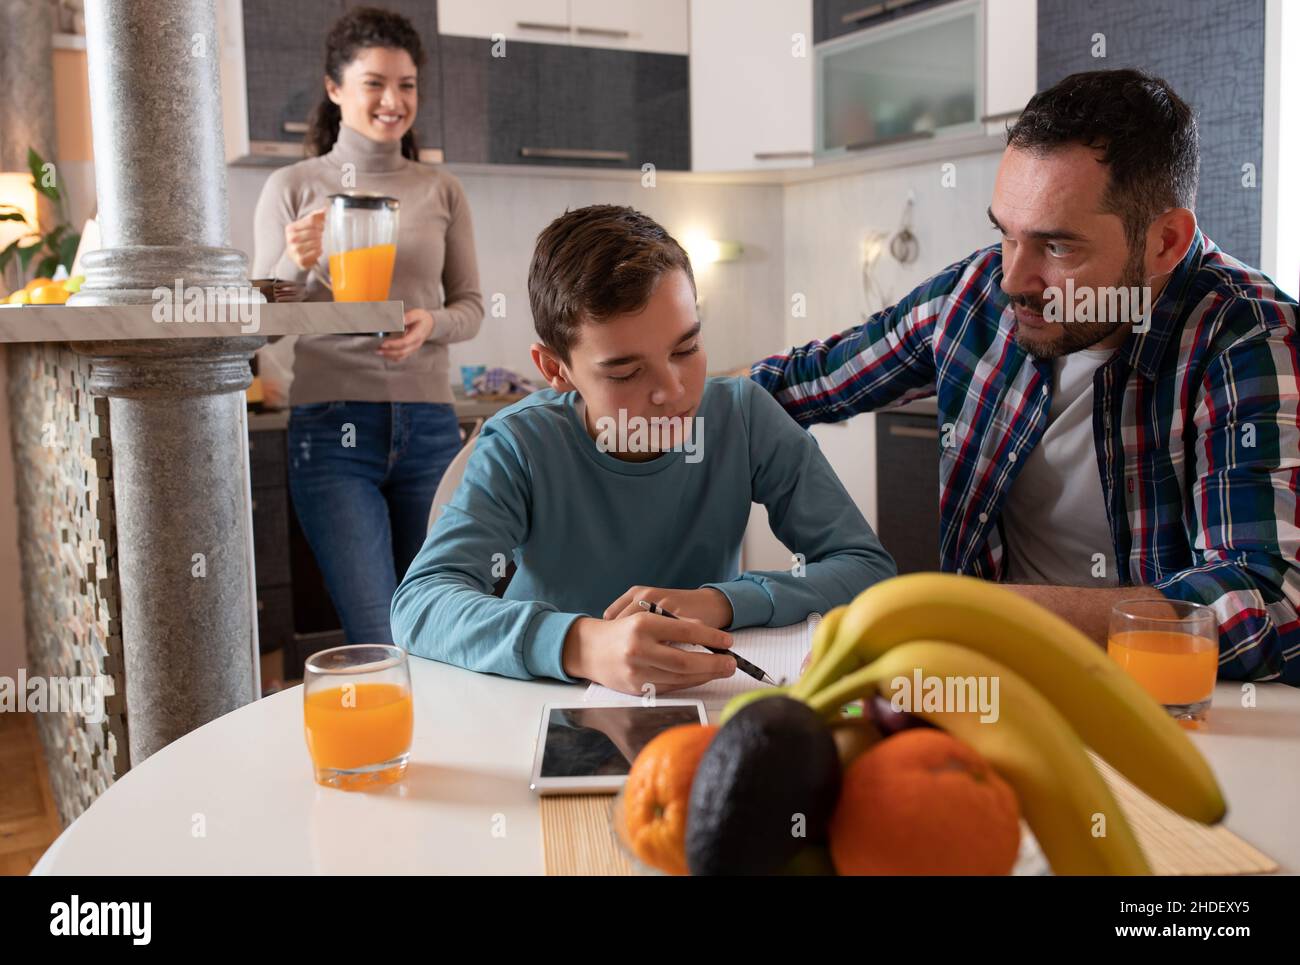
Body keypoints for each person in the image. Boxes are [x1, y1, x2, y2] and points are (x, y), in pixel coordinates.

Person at [751, 69, 1299, 683]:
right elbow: (797, 387)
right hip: (989, 685)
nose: (1014, 278)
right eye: (1006, 235)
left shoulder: (1251, 338)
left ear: (1166, 241)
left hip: (1162, 703)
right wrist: (643, 399)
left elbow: (1270, 601)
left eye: (1058, 247)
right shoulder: (974, 297)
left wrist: (980, 614)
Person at [392, 205, 896, 694]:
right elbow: (419, 603)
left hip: (699, 696)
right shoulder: (521, 445)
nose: (672, 391)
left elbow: (865, 567)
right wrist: (583, 645)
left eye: (686, 349)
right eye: (625, 372)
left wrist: (721, 602)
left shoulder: (743, 415)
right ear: (555, 369)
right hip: (544, 703)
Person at [253, 6, 484, 644]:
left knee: (441, 622)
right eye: (374, 83)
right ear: (335, 89)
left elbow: (470, 305)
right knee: (378, 630)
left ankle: (451, 744)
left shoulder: (441, 190)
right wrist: (289, 263)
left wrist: (427, 323)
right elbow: (259, 331)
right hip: (330, 431)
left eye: (406, 84)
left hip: (431, 429)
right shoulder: (292, 186)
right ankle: (389, 747)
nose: (393, 100)